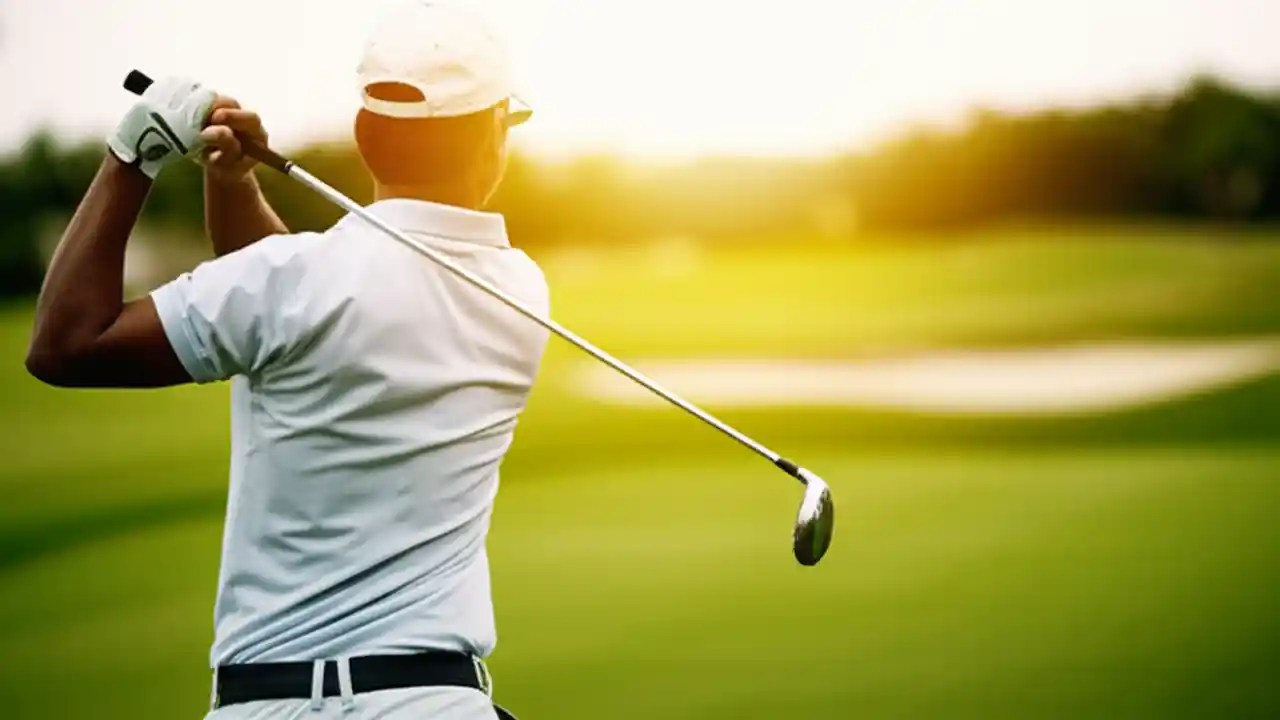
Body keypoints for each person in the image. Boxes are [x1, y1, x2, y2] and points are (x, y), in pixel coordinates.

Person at [25, 2, 547, 718]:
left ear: (365, 134)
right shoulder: (521, 293)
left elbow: (65, 342)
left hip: (264, 705)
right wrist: (234, 181)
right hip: (436, 702)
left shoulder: (290, 284)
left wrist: (132, 156)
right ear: (495, 135)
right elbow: (294, 301)